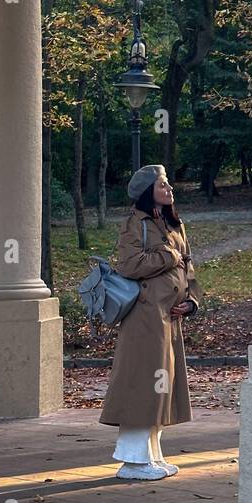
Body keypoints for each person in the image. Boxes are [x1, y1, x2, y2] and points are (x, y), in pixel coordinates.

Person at [98, 165, 200, 481]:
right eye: (162, 185)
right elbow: (129, 265)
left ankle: (151, 457)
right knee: (142, 386)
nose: (169, 189)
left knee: (160, 389)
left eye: (169, 184)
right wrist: (169, 258)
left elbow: (190, 266)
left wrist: (192, 301)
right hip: (145, 317)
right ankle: (132, 461)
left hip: (170, 318)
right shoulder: (134, 224)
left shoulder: (174, 223)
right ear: (147, 192)